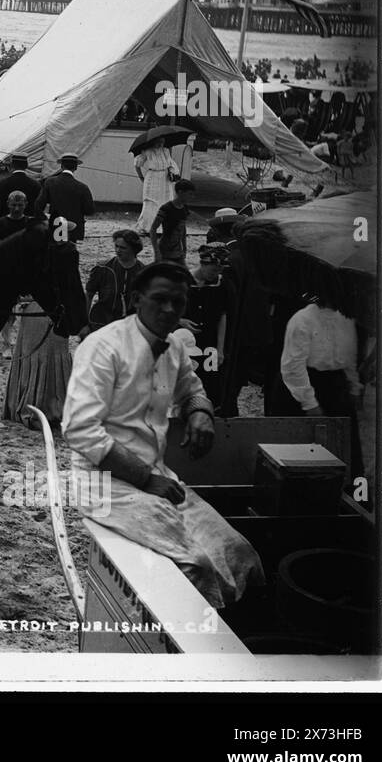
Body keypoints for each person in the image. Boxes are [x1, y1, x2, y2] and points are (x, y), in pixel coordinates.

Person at [61, 262, 264, 609]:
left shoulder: (173, 347)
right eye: (160, 300)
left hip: (160, 478)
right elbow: (79, 430)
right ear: (137, 300)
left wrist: (200, 413)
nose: (169, 310)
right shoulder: (102, 347)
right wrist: (145, 478)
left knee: (239, 555)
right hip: (105, 483)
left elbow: (192, 389)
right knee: (195, 567)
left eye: (178, 303)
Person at [268, 289, 364, 479]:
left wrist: (354, 387)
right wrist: (310, 404)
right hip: (303, 384)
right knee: (298, 450)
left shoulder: (346, 319)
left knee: (343, 446)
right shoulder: (302, 319)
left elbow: (349, 356)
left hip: (334, 384)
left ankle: (346, 493)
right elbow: (293, 366)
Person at [185, 244, 229, 407]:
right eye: (213, 270)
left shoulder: (220, 285)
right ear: (204, 264)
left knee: (211, 387)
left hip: (209, 344)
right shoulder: (184, 282)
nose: (216, 274)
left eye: (219, 271)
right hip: (187, 344)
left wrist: (220, 348)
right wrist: (181, 322)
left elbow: (222, 316)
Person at [82, 230, 145, 334]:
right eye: (116, 246)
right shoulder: (103, 268)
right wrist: (84, 323)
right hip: (102, 324)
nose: (118, 250)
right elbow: (89, 295)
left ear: (134, 249)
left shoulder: (143, 272)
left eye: (123, 248)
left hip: (130, 327)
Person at [33, 153, 93, 248]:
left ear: (61, 166)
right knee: (69, 253)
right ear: (76, 167)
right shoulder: (83, 187)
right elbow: (89, 210)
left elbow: (38, 205)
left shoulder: (50, 182)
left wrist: (44, 220)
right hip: (73, 229)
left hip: (55, 226)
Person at [134, 142, 180, 233]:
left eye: (162, 141)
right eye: (158, 141)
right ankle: (146, 227)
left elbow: (171, 163)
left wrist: (173, 172)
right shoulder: (147, 151)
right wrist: (141, 177)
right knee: (150, 202)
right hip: (152, 177)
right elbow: (137, 164)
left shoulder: (166, 151)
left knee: (166, 200)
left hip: (165, 178)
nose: (160, 143)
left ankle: (164, 226)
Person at [150, 179, 195, 264]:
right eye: (190, 194)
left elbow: (183, 228)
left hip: (178, 252)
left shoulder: (184, 208)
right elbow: (153, 229)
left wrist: (184, 247)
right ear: (180, 192)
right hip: (165, 251)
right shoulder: (166, 208)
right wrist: (156, 252)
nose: (192, 197)